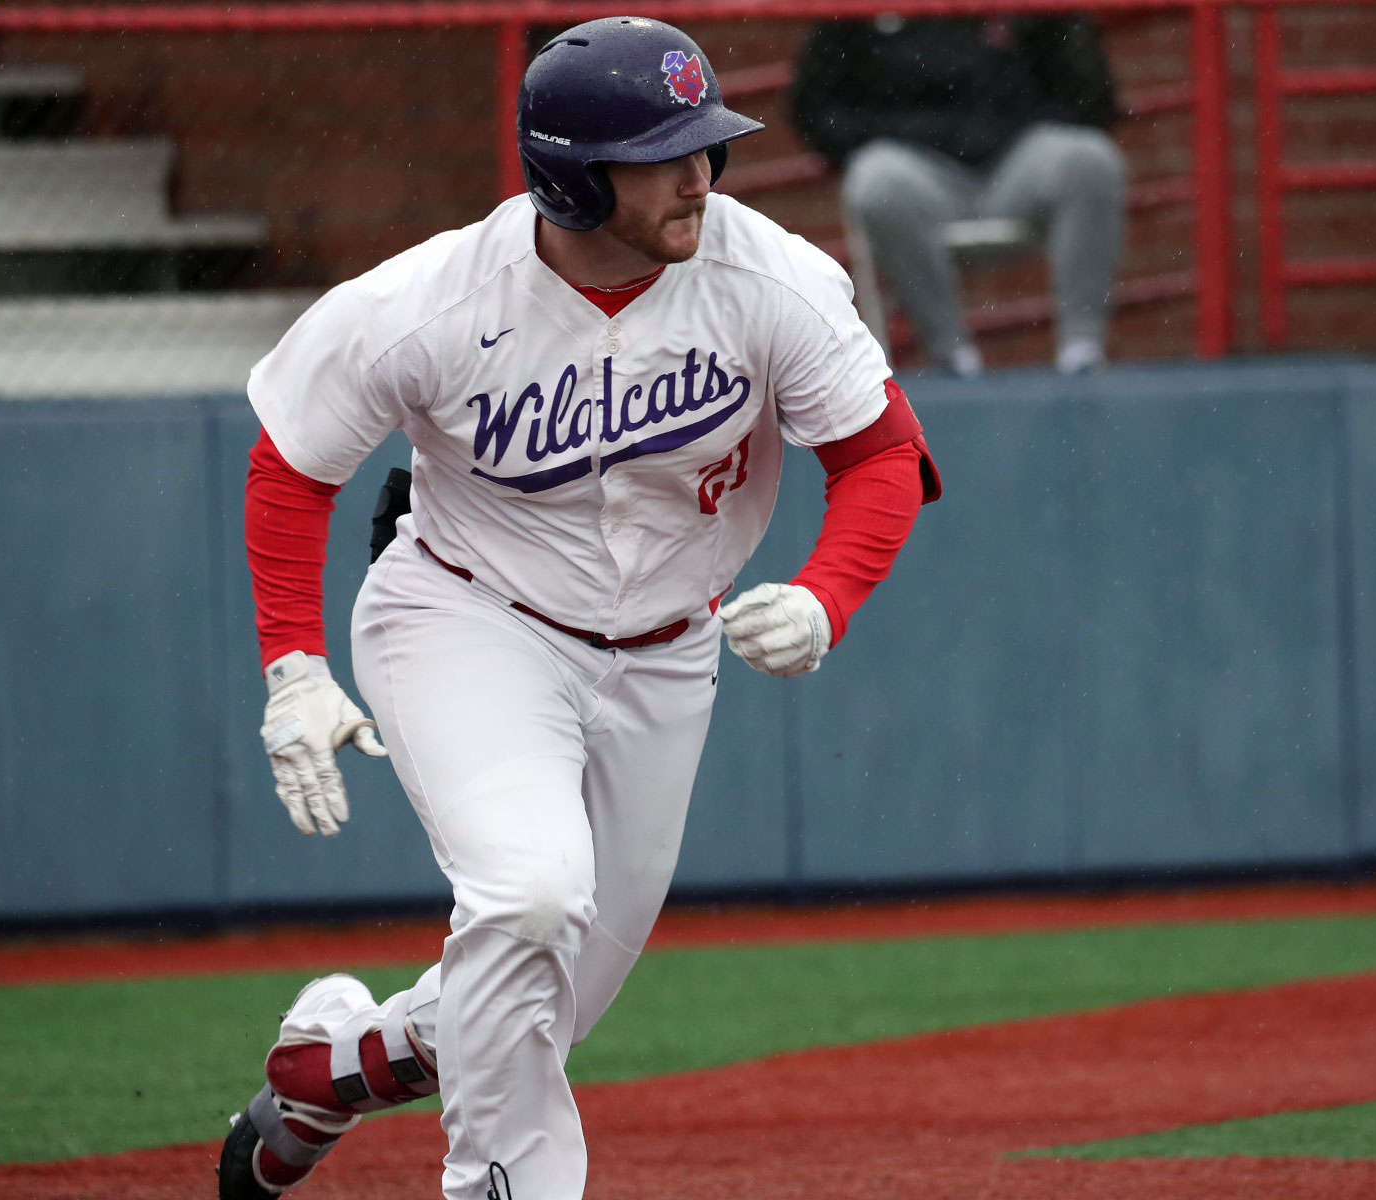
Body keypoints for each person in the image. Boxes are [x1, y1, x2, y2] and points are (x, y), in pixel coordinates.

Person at [216, 16, 939, 1200]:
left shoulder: (770, 280)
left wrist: (826, 598)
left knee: (541, 999)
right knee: (532, 893)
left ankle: (326, 1068)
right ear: (569, 173)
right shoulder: (435, 299)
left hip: (665, 654)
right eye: (664, 153)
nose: (700, 174)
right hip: (469, 621)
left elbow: (883, 458)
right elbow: (290, 466)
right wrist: (293, 662)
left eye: (708, 145)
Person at [791, 14, 1127, 376]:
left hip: (1019, 164)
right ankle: (953, 362)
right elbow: (816, 109)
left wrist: (1003, 118)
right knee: (875, 180)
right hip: (916, 176)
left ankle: (1083, 354)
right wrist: (917, 131)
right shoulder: (859, 18)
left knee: (1091, 159)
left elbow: (1092, 93)